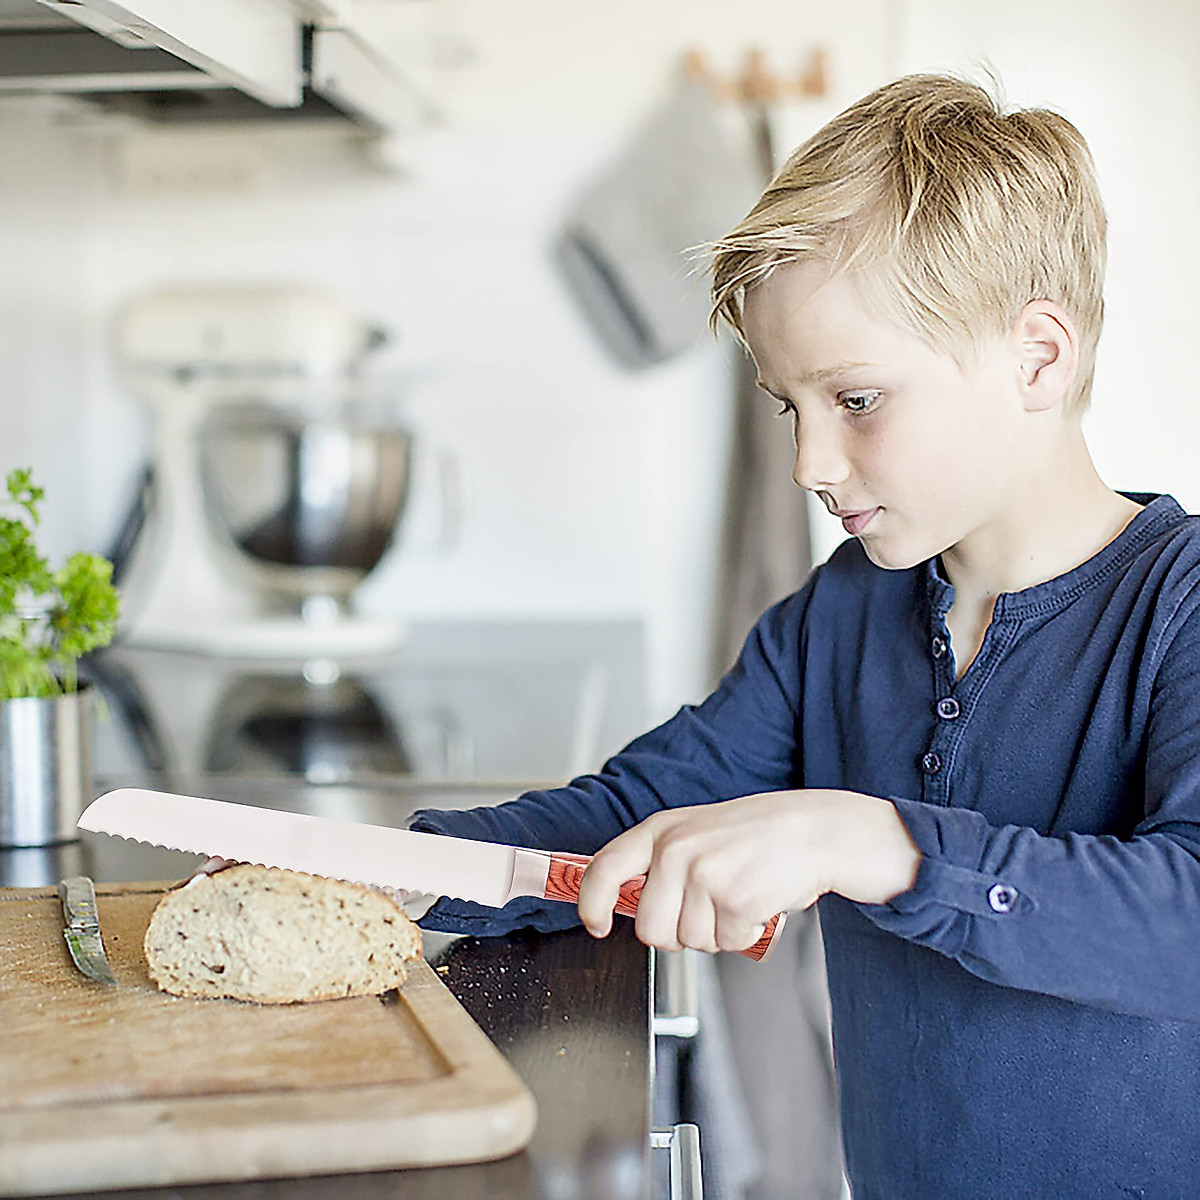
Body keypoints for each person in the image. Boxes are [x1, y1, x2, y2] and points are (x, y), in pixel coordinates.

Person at [411, 73, 1200, 1197]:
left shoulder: (1181, 604)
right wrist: (402, 874)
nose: (810, 467)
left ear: (1038, 357)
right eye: (792, 407)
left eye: (857, 400)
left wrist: (875, 842)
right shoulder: (843, 612)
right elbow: (644, 812)